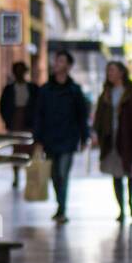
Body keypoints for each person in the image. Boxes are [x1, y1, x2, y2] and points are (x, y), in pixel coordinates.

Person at [93, 60, 132, 222]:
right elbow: (99, 116)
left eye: (113, 70)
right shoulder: (105, 93)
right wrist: (96, 134)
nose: (110, 74)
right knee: (116, 174)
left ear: (122, 72)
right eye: (108, 71)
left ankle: (130, 200)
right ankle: (121, 209)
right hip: (112, 139)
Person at [31, 50, 90, 222]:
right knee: (54, 175)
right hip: (49, 139)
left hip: (68, 139)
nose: (57, 64)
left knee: (63, 173)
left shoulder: (75, 90)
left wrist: (84, 137)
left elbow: (82, 116)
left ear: (69, 66)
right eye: (56, 61)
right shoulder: (45, 90)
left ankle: (62, 209)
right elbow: (39, 115)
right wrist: (38, 139)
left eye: (61, 61)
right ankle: (60, 205)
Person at [0, 60, 39, 188]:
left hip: (29, 123)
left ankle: (30, 176)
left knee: (30, 150)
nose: (20, 74)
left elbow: (38, 106)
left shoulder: (33, 88)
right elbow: (3, 106)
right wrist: (8, 121)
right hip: (15, 122)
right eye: (17, 71)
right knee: (16, 150)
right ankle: (16, 175)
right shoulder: (9, 89)